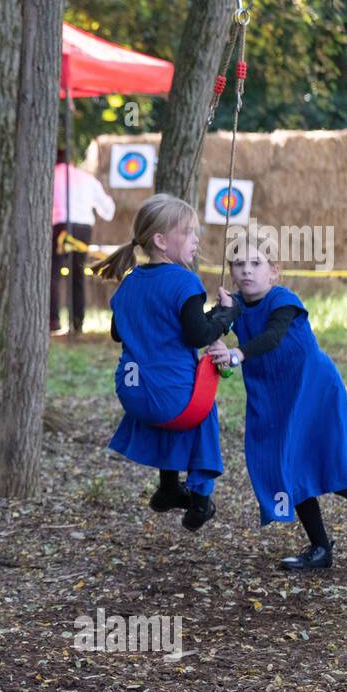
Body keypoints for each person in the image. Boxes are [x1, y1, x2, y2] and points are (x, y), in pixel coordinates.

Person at [208, 245, 347, 570]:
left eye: (256, 263)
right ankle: (320, 548)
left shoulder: (283, 300)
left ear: (274, 271)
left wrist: (236, 354)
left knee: (330, 465)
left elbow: (272, 337)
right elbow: (205, 327)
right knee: (289, 466)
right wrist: (218, 317)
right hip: (275, 394)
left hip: (314, 389)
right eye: (238, 264)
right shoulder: (235, 304)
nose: (247, 270)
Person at [98, 193, 239, 532]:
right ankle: (201, 500)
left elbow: (119, 332)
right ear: (161, 241)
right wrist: (226, 314)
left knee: (174, 398)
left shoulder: (130, 280)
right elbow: (197, 336)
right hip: (168, 398)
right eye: (188, 232)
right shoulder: (185, 281)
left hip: (132, 396)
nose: (196, 239)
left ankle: (168, 488)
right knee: (201, 409)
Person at [52, 148, 115, 334]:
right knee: (77, 275)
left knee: (52, 275)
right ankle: (77, 322)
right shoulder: (86, 178)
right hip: (83, 229)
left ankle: (52, 321)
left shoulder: (49, 175)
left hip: (59, 226)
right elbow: (108, 210)